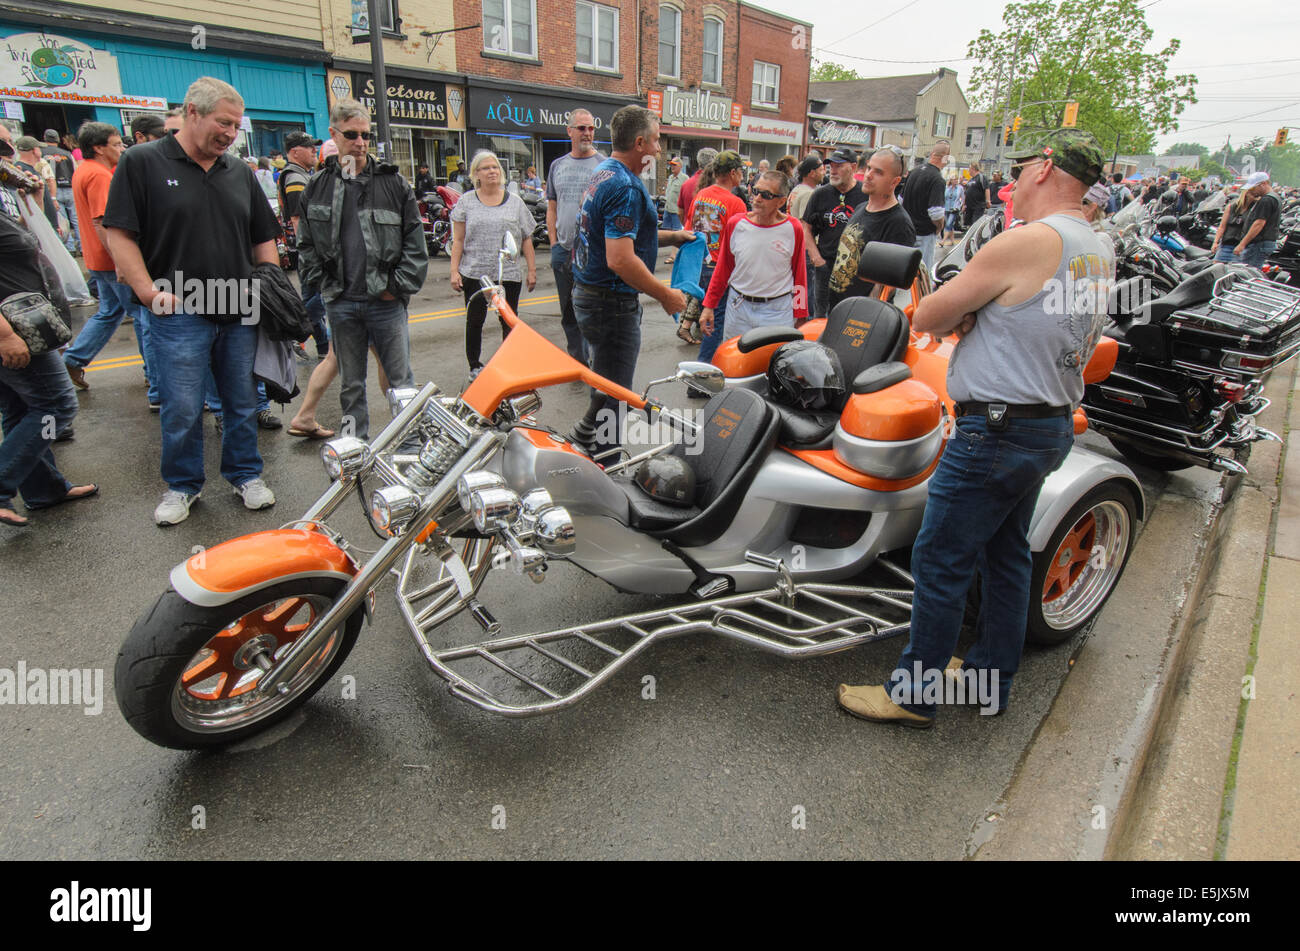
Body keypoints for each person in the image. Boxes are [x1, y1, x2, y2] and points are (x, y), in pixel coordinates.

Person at [837, 130, 1114, 728]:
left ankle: (912, 694)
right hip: (1046, 424)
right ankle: (989, 677)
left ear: (1044, 168)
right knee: (1006, 554)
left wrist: (966, 311)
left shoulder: (1029, 240)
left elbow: (930, 313)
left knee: (940, 560)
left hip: (996, 429)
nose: (1011, 183)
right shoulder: (1095, 244)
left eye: (1020, 171)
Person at [104, 76, 283, 526]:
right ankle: (182, 485)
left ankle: (245, 475)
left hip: (239, 304)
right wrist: (146, 291)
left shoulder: (239, 171)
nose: (230, 133)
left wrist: (273, 291)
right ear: (192, 112)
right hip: (177, 308)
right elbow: (119, 234)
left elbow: (264, 240)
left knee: (242, 401)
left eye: (236, 126)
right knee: (182, 406)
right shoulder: (141, 161)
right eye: (223, 122)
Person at [296, 97, 428, 443]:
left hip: (386, 303)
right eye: (351, 134)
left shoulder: (393, 184)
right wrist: (326, 284)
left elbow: (416, 244)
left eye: (365, 135)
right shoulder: (317, 186)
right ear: (333, 135)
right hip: (341, 303)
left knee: (401, 382)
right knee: (351, 384)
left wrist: (396, 287)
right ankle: (354, 445)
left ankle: (410, 446)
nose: (360, 142)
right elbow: (305, 244)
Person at [568, 105, 692, 457]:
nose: (658, 148)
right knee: (618, 395)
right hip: (610, 305)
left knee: (604, 379)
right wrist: (665, 294)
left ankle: (586, 436)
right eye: (655, 141)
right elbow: (620, 258)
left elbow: (624, 238)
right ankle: (605, 467)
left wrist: (673, 237)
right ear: (639, 142)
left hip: (592, 297)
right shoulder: (624, 186)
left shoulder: (605, 171)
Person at [0, 184, 96, 528]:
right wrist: (6, 334)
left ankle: (43, 489)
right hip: (13, 332)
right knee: (57, 407)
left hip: (22, 328)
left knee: (20, 408)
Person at [63, 123, 146, 396]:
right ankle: (155, 377)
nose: (121, 149)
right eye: (115, 144)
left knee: (110, 311)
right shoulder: (99, 176)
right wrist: (122, 261)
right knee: (142, 316)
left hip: (96, 258)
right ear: (98, 148)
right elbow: (103, 222)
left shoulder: (85, 170)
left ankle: (73, 360)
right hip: (109, 260)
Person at [449, 149, 537, 375]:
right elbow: (458, 240)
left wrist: (531, 270)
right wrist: (454, 271)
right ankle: (474, 366)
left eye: (495, 167)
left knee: (508, 321)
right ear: (475, 174)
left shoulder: (515, 203)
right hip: (475, 273)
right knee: (475, 320)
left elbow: (527, 238)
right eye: (486, 168)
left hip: (507, 274)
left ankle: (508, 366)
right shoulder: (466, 202)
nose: (492, 172)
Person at [700, 170, 806, 341]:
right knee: (736, 363)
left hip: (777, 311)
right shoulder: (736, 224)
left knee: (774, 363)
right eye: (755, 191)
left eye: (766, 195)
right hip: (739, 308)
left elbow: (799, 274)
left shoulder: (793, 228)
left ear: (781, 201)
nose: (757, 199)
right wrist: (709, 305)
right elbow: (723, 269)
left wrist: (801, 315)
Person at [546, 108, 605, 367]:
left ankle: (595, 362)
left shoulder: (603, 165)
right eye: (582, 128)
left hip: (592, 254)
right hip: (563, 250)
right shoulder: (557, 166)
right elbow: (552, 208)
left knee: (592, 309)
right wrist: (554, 244)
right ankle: (578, 362)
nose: (587, 133)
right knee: (568, 312)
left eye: (591, 128)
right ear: (569, 131)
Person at [826, 147, 916, 310]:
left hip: (862, 315)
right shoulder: (861, 207)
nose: (868, 175)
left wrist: (863, 315)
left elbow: (885, 286)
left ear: (894, 182)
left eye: (878, 172)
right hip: (838, 307)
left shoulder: (898, 223)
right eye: (869, 168)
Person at [684, 150, 750, 362]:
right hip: (718, 268)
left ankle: (705, 369)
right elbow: (739, 243)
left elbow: (688, 230)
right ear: (733, 173)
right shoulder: (735, 203)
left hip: (700, 265)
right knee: (715, 321)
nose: (742, 175)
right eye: (741, 170)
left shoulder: (701, 195)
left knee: (708, 317)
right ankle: (703, 373)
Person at [801, 148, 866, 319]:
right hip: (825, 265)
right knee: (820, 316)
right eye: (831, 166)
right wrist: (816, 259)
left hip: (854, 269)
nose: (833, 170)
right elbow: (806, 227)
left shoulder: (865, 195)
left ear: (853, 166)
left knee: (850, 316)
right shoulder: (820, 194)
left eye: (839, 165)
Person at [788, 155, 826, 319]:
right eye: (820, 170)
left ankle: (797, 315)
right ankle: (804, 320)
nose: (823, 173)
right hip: (804, 247)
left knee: (798, 285)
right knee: (807, 287)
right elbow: (805, 224)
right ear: (811, 173)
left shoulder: (796, 190)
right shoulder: (809, 194)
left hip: (794, 244)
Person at [903, 141, 949, 270]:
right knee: (921, 273)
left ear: (932, 154)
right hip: (924, 234)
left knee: (904, 271)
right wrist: (939, 227)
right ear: (945, 157)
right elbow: (936, 213)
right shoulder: (937, 179)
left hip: (907, 230)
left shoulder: (914, 172)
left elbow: (901, 200)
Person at [41, 130, 78, 254]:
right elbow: (75, 170)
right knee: (76, 219)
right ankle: (83, 247)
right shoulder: (67, 153)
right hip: (70, 187)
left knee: (61, 221)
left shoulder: (41, 154)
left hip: (53, 190)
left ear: (45, 139)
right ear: (58, 139)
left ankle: (70, 248)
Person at [12, 137, 59, 233]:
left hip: (47, 225)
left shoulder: (31, 169)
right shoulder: (21, 171)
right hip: (41, 227)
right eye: (39, 148)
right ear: (34, 150)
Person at [1235, 172, 1280, 268]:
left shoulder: (1266, 200)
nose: (1252, 190)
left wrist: (1242, 244)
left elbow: (1259, 224)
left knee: (1247, 272)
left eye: (1253, 187)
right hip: (1265, 242)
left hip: (1259, 243)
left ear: (1263, 184)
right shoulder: (1275, 197)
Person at [1211, 184, 1256, 263]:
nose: (1255, 196)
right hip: (1226, 244)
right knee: (1216, 268)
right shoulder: (1231, 207)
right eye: (1252, 193)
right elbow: (1222, 226)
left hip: (1241, 247)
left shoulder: (1254, 209)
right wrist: (1215, 242)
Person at [676, 147, 717, 225]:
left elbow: (680, 212)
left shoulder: (686, 184)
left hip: (689, 232)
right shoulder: (716, 185)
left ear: (698, 163)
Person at [662, 157, 688, 233]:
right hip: (667, 211)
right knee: (665, 234)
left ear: (680, 166)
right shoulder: (670, 178)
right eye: (671, 165)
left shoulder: (685, 179)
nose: (672, 167)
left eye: (674, 165)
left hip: (676, 213)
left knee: (676, 235)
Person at [943, 175, 963, 245]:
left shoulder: (960, 188)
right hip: (946, 208)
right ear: (951, 180)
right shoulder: (947, 188)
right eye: (954, 179)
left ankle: (943, 241)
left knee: (948, 224)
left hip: (955, 208)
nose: (955, 181)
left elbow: (963, 198)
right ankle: (952, 241)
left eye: (956, 179)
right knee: (950, 224)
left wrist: (962, 206)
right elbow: (944, 197)